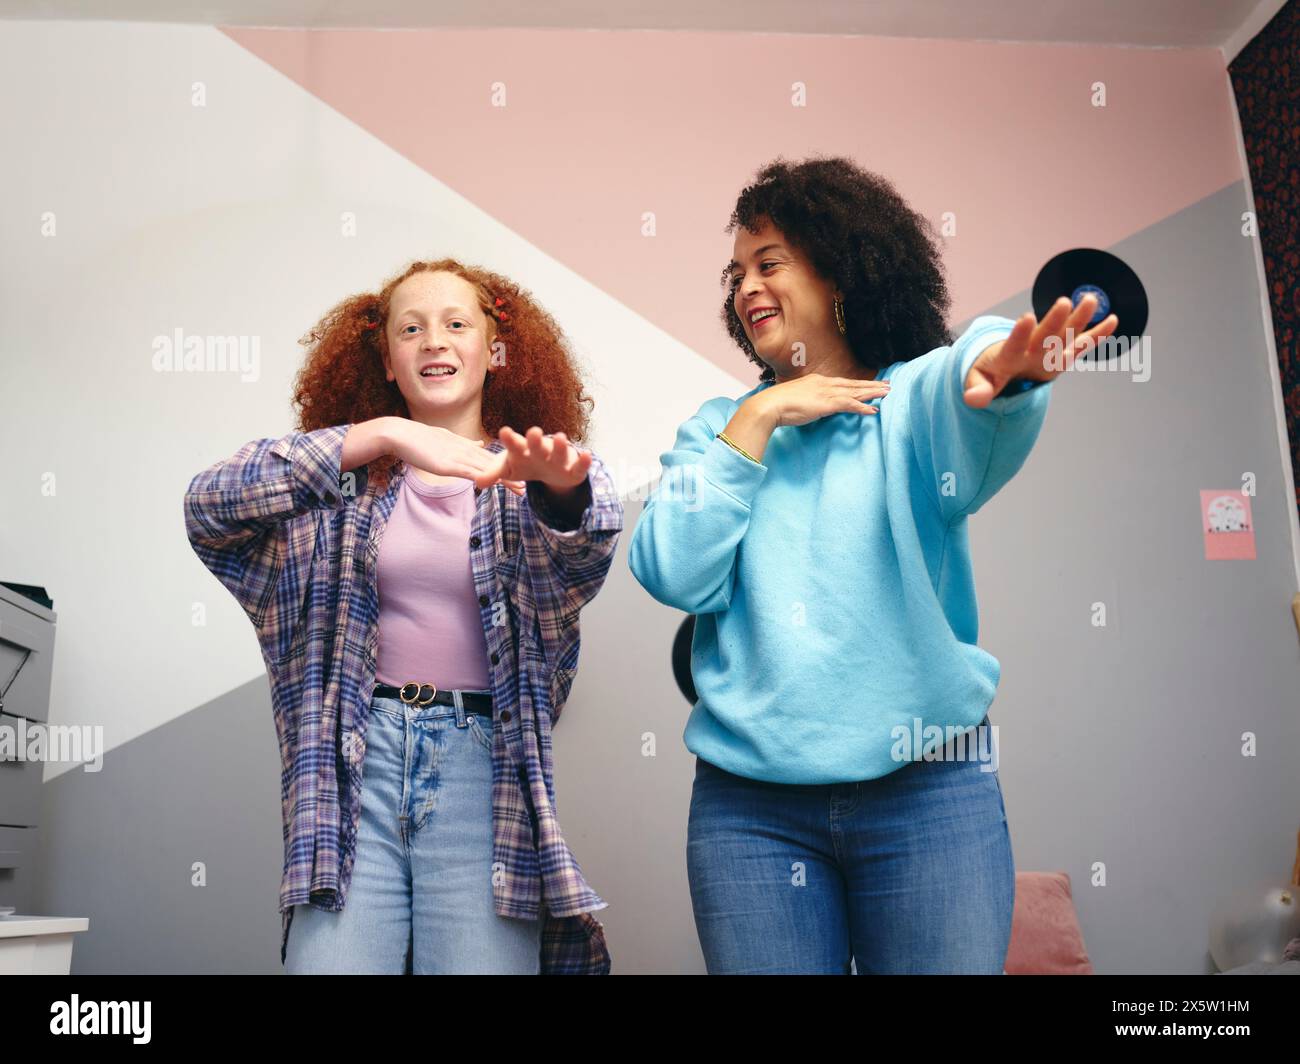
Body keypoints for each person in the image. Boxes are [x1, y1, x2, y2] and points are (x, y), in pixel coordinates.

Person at [628, 156, 1116, 974]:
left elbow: (972, 365)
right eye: (736, 272)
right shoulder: (718, 429)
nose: (746, 285)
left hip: (929, 791)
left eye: (770, 262)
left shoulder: (910, 400)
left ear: (842, 270)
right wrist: (762, 414)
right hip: (749, 810)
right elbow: (672, 571)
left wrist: (1005, 370)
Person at [183, 258, 623, 973]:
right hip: (358, 767)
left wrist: (563, 495)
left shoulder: (534, 476)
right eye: (410, 329)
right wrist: (382, 435)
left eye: (457, 324)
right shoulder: (338, 495)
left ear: (494, 351)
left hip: (483, 770)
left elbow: (582, 557)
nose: (434, 341)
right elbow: (208, 507)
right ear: (386, 361)